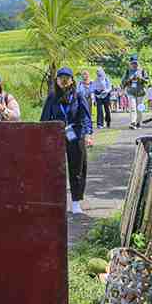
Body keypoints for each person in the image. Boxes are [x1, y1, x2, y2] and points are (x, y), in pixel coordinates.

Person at [41, 66, 93, 214]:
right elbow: (44, 119)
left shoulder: (78, 96)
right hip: (56, 136)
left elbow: (86, 117)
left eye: (67, 78)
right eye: (61, 78)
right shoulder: (52, 97)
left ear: (72, 80)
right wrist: (43, 136)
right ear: (56, 80)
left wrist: (88, 134)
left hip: (75, 135)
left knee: (77, 168)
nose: (63, 81)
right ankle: (55, 200)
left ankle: (76, 202)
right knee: (55, 168)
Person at [122, 54, 148, 128]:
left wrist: (140, 78)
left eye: (135, 63)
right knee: (133, 108)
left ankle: (138, 122)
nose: (134, 64)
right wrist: (129, 79)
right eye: (133, 63)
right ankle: (133, 122)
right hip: (131, 92)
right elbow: (123, 82)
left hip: (140, 93)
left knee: (139, 108)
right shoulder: (128, 71)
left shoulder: (142, 71)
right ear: (130, 63)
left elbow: (147, 80)